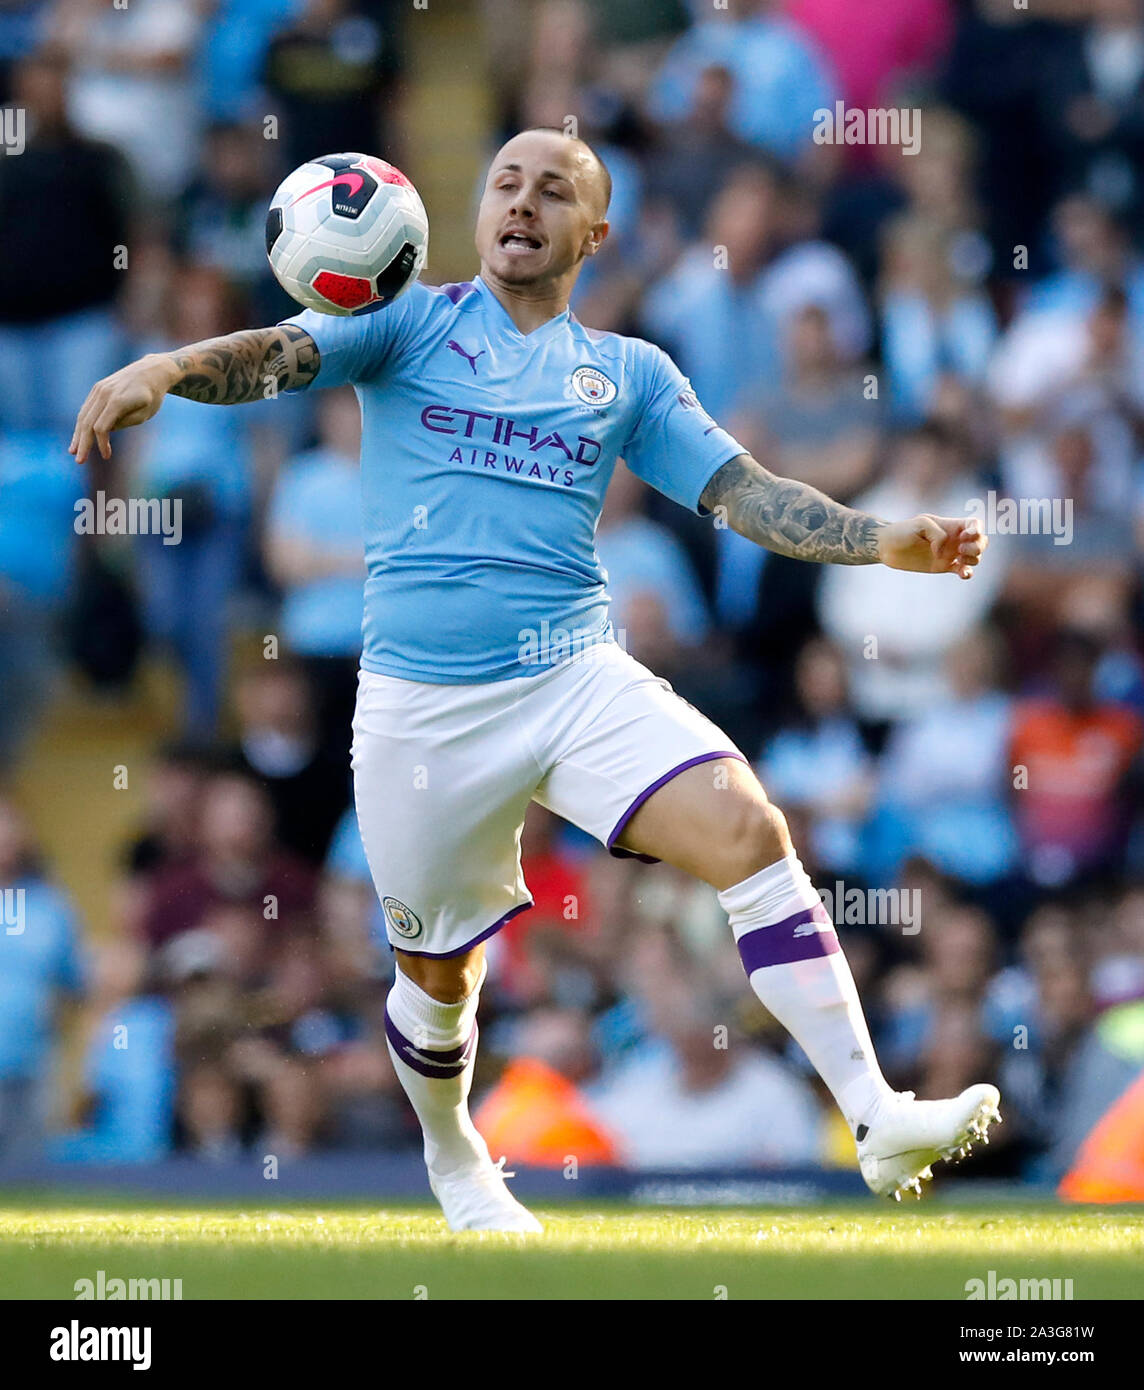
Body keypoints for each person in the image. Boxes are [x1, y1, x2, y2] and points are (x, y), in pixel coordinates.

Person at [71, 127, 999, 1232]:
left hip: (572, 677)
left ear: (592, 233)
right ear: (471, 215)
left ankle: (875, 1114)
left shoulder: (631, 375)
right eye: (504, 181)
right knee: (438, 978)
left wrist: (882, 538)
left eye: (553, 190)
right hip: (421, 710)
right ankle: (457, 1155)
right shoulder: (405, 320)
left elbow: (747, 495)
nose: (522, 200)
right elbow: (277, 354)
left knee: (748, 827)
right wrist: (165, 371)